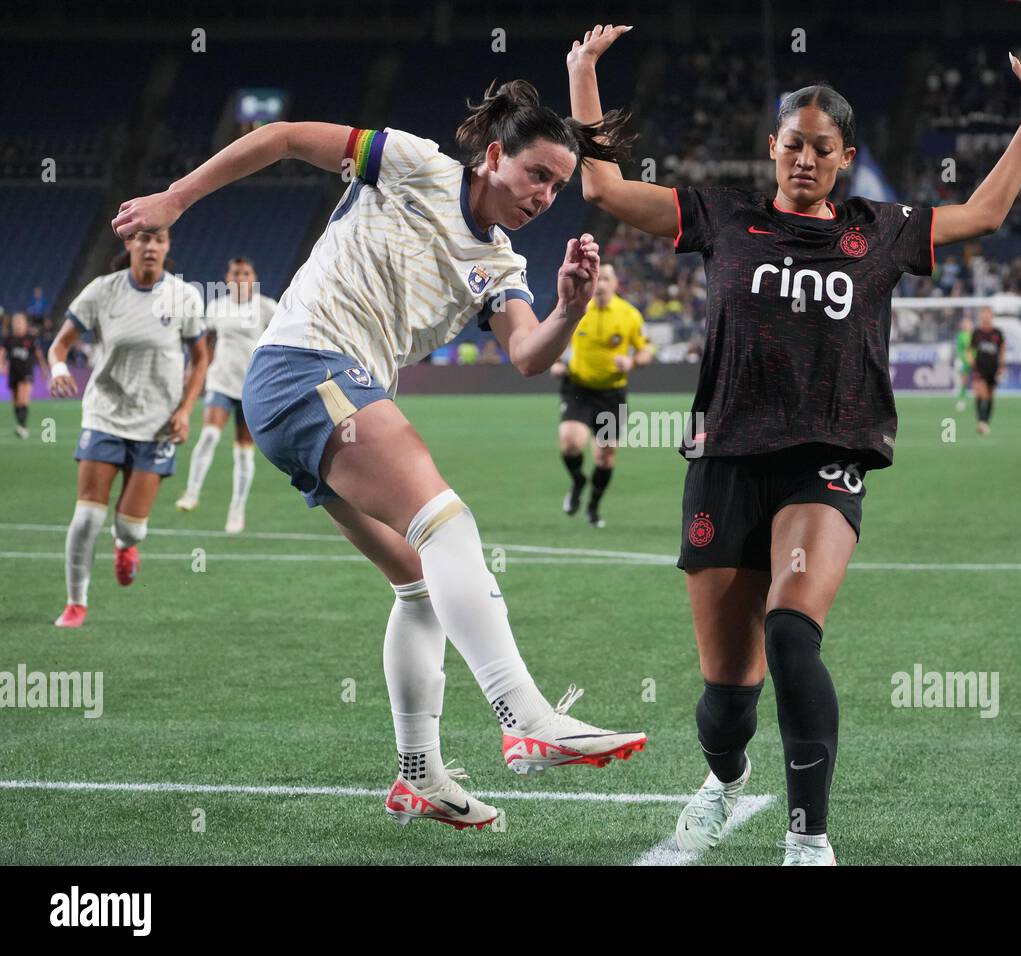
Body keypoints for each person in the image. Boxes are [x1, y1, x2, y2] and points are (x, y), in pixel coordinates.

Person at [569, 24, 1021, 864]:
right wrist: (582, 77)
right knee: (726, 697)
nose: (804, 158)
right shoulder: (721, 216)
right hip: (725, 459)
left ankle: (809, 840)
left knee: (793, 632)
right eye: (792, 144)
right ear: (773, 147)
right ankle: (723, 784)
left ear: (844, 157)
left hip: (824, 459)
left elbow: (985, 211)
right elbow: (607, 192)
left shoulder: (884, 228)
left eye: (821, 149)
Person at [110, 80, 647, 831]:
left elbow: (528, 353)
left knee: (421, 584)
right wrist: (174, 197)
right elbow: (285, 136)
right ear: (494, 157)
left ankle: (418, 775)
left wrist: (569, 308)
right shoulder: (410, 161)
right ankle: (524, 715)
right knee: (448, 528)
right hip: (305, 365)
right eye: (537, 174)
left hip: (325, 393)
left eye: (559, 184)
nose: (547, 195)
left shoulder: (498, 264)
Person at [48, 231, 208, 627]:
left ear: (168, 247)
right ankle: (76, 603)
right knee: (86, 518)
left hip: (157, 426)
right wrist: (58, 368)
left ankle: (125, 546)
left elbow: (201, 358)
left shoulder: (184, 296)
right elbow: (60, 344)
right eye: (142, 239)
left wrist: (186, 410)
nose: (150, 246)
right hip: (104, 416)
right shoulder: (102, 291)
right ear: (130, 247)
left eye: (158, 240)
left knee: (131, 528)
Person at [175, 256, 277, 532]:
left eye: (245, 273)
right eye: (235, 274)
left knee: (243, 453)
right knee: (208, 435)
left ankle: (237, 509)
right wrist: (194, 370)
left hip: (252, 387)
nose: (240, 278)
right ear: (227, 279)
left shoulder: (267, 308)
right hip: (221, 382)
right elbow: (205, 345)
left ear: (253, 278)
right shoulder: (217, 307)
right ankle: (192, 492)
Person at [550, 261, 653, 527]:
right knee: (571, 441)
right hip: (578, 387)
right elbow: (557, 338)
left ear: (616, 284)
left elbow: (645, 350)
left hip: (611, 393)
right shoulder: (577, 308)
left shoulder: (629, 315)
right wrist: (556, 361)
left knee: (605, 456)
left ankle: (593, 506)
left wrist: (633, 362)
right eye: (600, 279)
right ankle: (577, 481)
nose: (603, 284)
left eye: (608, 279)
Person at [1, 311, 49, 438]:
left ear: (25, 323)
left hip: (26, 372)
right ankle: (21, 425)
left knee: (23, 399)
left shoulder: (31, 339)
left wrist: (44, 370)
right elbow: (2, 352)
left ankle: (23, 427)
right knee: (16, 402)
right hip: (13, 373)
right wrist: (1, 365)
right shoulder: (9, 339)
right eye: (15, 321)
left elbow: (39, 355)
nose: (17, 324)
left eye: (20, 321)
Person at [969, 306, 1005, 435]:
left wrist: (1001, 366)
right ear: (980, 317)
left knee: (990, 394)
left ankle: (986, 421)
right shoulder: (977, 332)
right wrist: (970, 360)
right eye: (983, 314)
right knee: (981, 392)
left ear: (992, 316)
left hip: (993, 368)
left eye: (988, 314)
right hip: (980, 368)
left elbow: (1002, 350)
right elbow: (970, 349)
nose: (985, 317)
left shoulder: (997, 333)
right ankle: (981, 421)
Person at [953, 315, 973, 412]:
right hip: (965, 362)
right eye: (965, 323)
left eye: (968, 322)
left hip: (975, 361)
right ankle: (962, 400)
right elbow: (959, 350)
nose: (967, 325)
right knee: (964, 381)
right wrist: (964, 359)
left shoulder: (974, 335)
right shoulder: (961, 336)